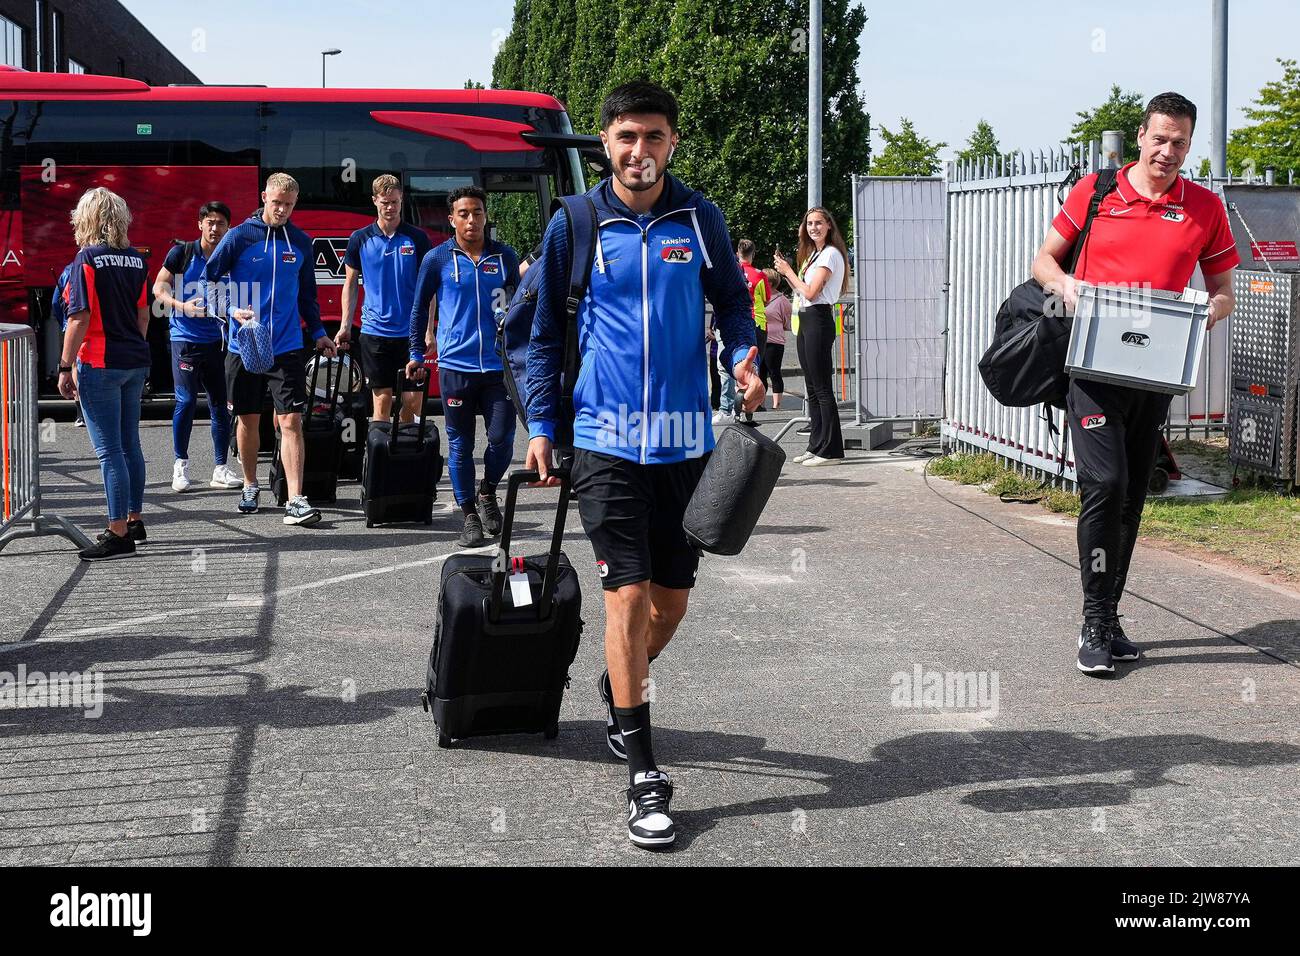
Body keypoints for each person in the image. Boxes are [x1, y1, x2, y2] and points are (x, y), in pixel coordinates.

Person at [525, 82, 763, 849]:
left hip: (687, 444)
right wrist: (541, 422)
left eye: (653, 136)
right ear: (605, 142)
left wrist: (746, 354)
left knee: (670, 607)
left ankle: (618, 684)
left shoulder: (700, 218)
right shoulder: (576, 221)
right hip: (604, 440)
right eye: (626, 136)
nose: (639, 151)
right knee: (625, 598)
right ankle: (644, 774)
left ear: (672, 143)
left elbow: (731, 301)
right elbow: (537, 335)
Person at [1031, 92, 1238, 676]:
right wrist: (1067, 286)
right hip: (1094, 367)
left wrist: (1205, 311)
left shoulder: (1203, 207)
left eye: (1180, 143)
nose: (1167, 152)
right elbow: (1043, 260)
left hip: (1155, 372)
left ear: (1188, 146)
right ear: (1141, 136)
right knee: (1106, 482)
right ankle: (1094, 619)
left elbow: (1223, 287)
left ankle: (1111, 615)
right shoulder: (1096, 192)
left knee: (1132, 494)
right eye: (1159, 139)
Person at [205, 172, 337, 526]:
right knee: (248, 419)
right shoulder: (239, 236)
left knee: (291, 420)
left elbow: (308, 296)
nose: (281, 210)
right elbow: (207, 281)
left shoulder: (300, 242)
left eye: (289, 205)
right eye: (276, 202)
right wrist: (230, 309)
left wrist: (321, 333)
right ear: (264, 196)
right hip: (244, 342)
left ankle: (296, 498)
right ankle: (250, 484)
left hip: (287, 344)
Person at [406, 185, 520, 547]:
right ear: (452, 218)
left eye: (478, 212)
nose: (472, 220)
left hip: (497, 368)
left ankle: (487, 492)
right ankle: (469, 513)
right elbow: (419, 308)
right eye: (464, 214)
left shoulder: (504, 258)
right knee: (460, 444)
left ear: (486, 216)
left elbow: (518, 310)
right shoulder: (437, 259)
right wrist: (416, 353)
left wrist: (520, 352)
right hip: (455, 366)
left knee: (503, 439)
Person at [56, 187, 151, 561]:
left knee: (109, 451)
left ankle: (117, 533)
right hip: (134, 359)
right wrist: (132, 347)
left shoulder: (86, 260)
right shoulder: (137, 260)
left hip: (99, 361)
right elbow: (144, 315)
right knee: (131, 445)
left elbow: (79, 318)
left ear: (86, 219)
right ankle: (134, 520)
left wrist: (65, 366)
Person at [153, 200, 241, 493]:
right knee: (187, 401)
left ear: (229, 227)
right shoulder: (182, 252)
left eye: (221, 223)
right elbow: (158, 287)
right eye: (210, 222)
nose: (215, 228)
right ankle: (180, 466)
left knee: (220, 405)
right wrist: (181, 306)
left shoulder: (229, 255)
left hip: (216, 341)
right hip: (184, 339)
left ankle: (220, 468)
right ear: (200, 224)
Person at [335, 174, 432, 424]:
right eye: (385, 202)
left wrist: (429, 329)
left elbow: (429, 289)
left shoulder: (417, 238)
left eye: (395, 202)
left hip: (411, 332)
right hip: (374, 332)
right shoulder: (360, 238)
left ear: (402, 201)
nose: (390, 208)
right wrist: (345, 326)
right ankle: (382, 456)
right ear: (375, 201)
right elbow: (350, 284)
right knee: (382, 399)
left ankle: (404, 444)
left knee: (413, 400)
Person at [774, 207, 849, 466]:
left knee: (822, 388)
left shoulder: (829, 254)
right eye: (809, 224)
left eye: (818, 223)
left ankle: (831, 450)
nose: (813, 228)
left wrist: (787, 271)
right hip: (806, 319)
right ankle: (816, 445)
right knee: (813, 389)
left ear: (829, 225)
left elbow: (811, 292)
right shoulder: (815, 254)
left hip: (818, 317)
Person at [736, 239, 768, 425]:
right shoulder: (759, 275)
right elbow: (766, 299)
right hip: (757, 322)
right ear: (753, 253)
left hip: (738, 322)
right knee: (754, 365)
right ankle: (752, 408)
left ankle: (737, 407)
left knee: (738, 364)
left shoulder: (731, 271)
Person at [50, 260, 85, 427]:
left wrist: (64, 320)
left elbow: (56, 302)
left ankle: (80, 414)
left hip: (71, 322)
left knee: (75, 366)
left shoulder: (69, 269)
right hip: (94, 324)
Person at [761, 267, 790, 410]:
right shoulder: (758, 296)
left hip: (775, 341)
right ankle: (760, 403)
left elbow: (787, 321)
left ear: (770, 283)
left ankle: (776, 405)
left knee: (774, 372)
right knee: (759, 372)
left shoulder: (782, 300)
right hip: (759, 339)